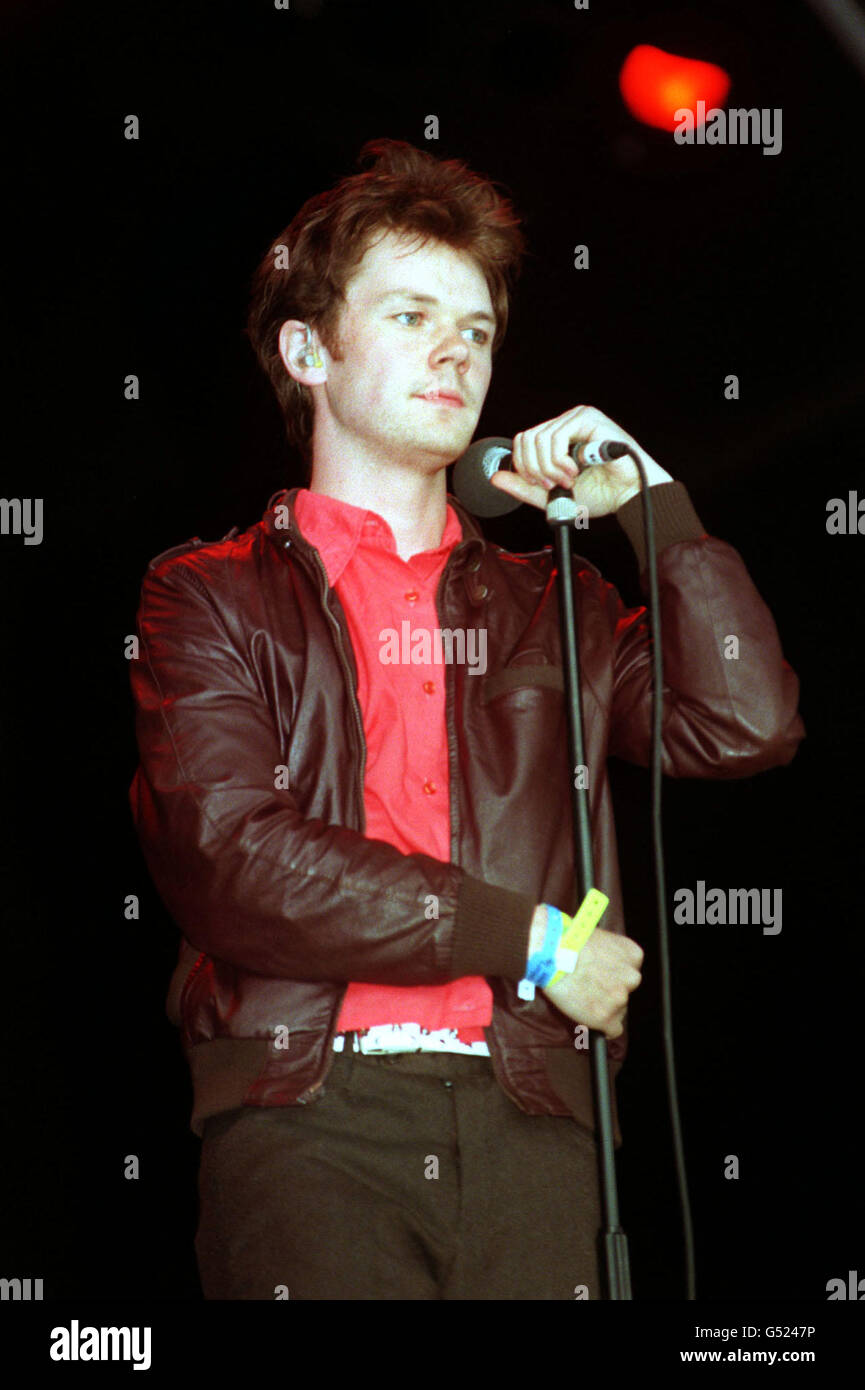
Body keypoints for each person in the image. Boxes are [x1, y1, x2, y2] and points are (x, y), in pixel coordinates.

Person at [127, 139, 805, 1300]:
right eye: (407, 314)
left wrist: (650, 505)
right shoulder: (207, 593)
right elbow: (230, 858)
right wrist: (536, 942)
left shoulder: (557, 601)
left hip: (535, 1115)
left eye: (477, 327)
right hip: (311, 1114)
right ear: (307, 352)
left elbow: (746, 722)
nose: (454, 347)